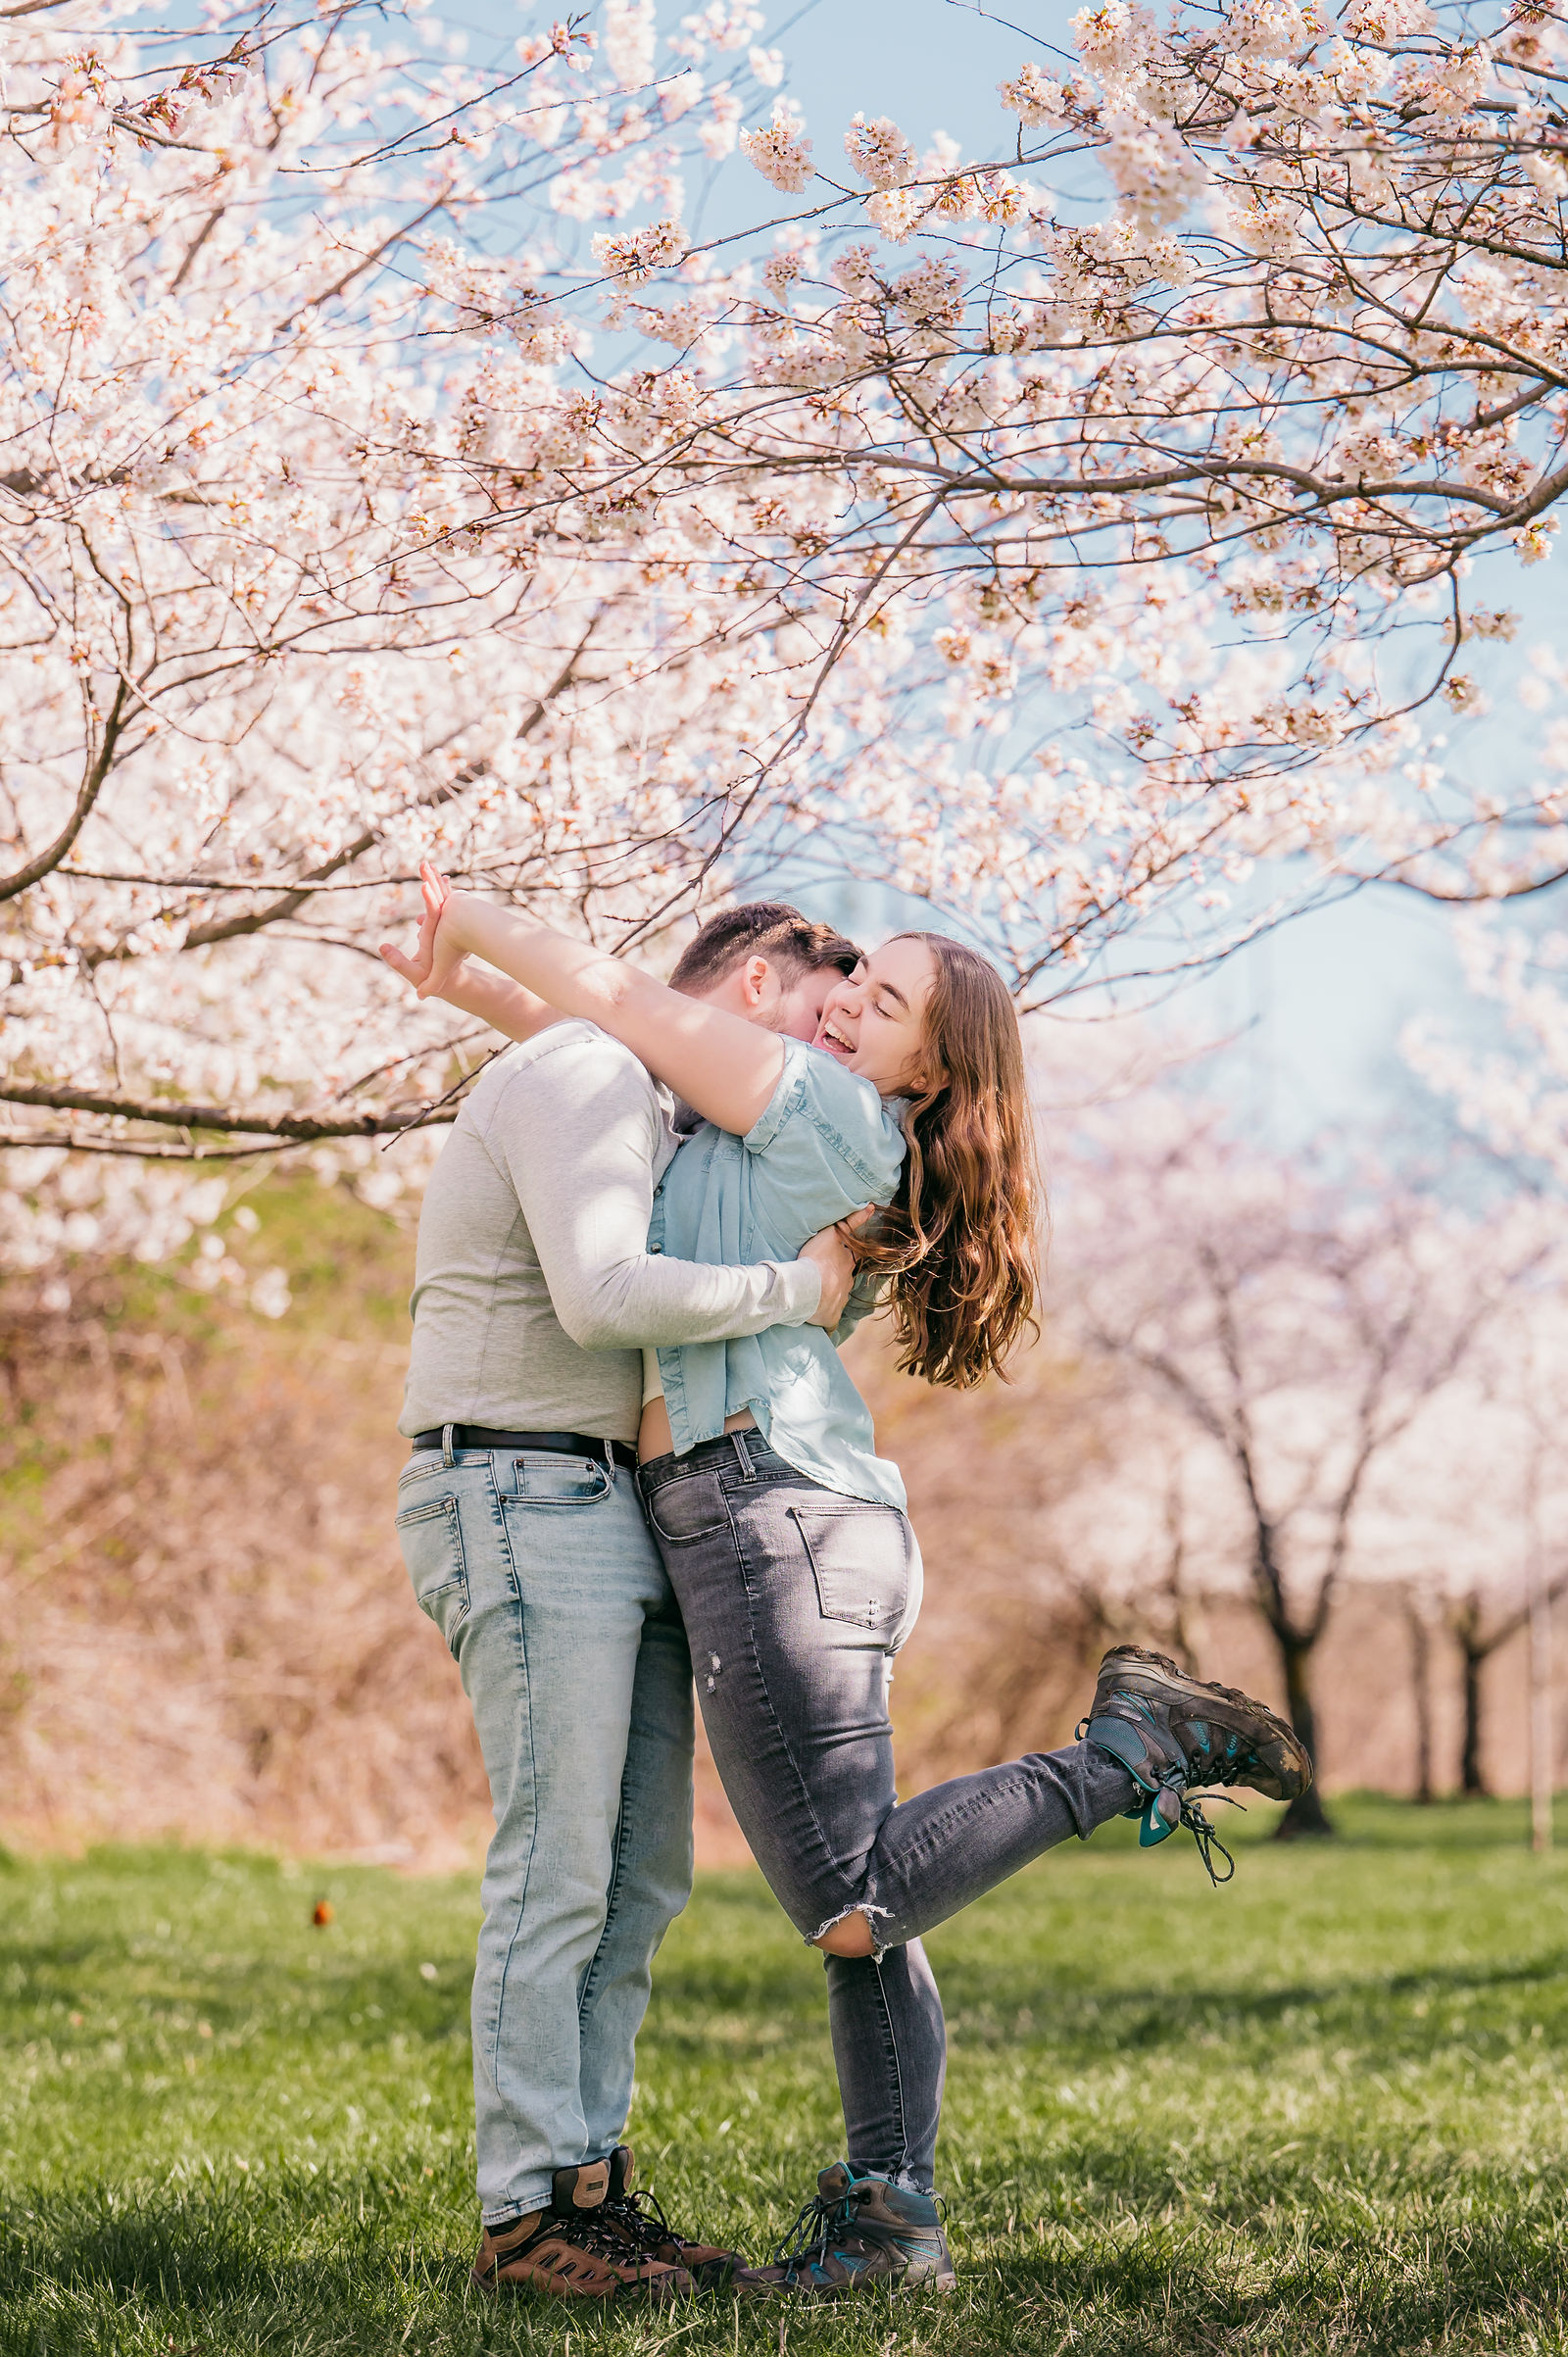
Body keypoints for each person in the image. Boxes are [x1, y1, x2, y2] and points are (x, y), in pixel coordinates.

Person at [397, 870, 1314, 2302]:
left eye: (878, 1003)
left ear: (925, 1066)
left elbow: (622, 1004)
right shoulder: (744, 1117)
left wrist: (473, 917)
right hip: (755, 1508)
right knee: (861, 1890)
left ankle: (1126, 1752)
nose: (843, 1011)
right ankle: (884, 2215)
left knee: (851, 1893)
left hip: (767, 1509)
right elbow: (611, 1060)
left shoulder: (821, 1107)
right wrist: (467, 983)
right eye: (850, 984)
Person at [384, 898, 876, 2304]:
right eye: (818, 1022)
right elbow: (601, 1296)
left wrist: (471, 977)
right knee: (560, 1865)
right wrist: (800, 1289)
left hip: (607, 1500)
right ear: (758, 981)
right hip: (519, 1484)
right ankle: (521, 2212)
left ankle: (590, 2190)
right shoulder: (591, 1070)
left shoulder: (632, 1087)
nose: (818, 1062)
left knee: (642, 1875)